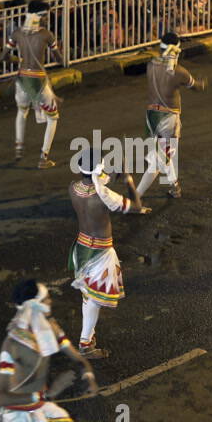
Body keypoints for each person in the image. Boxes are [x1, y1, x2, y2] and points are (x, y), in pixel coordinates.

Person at [69, 149, 151, 358]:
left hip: (82, 248)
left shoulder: (73, 188)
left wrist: (113, 175)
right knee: (93, 300)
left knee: (88, 297)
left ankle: (87, 338)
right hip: (100, 253)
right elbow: (136, 206)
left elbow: (97, 182)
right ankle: (86, 344)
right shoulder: (103, 196)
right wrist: (129, 180)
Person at [0, 279, 98, 422]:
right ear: (34, 305)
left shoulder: (50, 329)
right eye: (46, 299)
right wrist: (49, 394)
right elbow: (3, 398)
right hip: (18, 419)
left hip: (42, 408)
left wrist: (88, 377)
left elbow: (79, 360)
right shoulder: (13, 344)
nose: (50, 302)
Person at [136, 33, 208, 199]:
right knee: (159, 160)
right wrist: (202, 83)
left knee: (164, 155)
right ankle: (136, 195)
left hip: (152, 117)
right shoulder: (179, 72)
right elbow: (196, 86)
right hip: (168, 120)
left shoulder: (151, 65)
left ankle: (174, 186)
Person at [0, 0, 64, 169]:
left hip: (21, 78)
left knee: (22, 111)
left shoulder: (17, 33)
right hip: (38, 79)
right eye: (46, 15)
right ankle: (44, 157)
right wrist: (60, 57)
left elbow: (3, 56)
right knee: (53, 117)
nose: (47, 19)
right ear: (40, 16)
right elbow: (59, 59)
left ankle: (19, 147)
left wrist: (18, 60)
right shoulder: (46, 35)